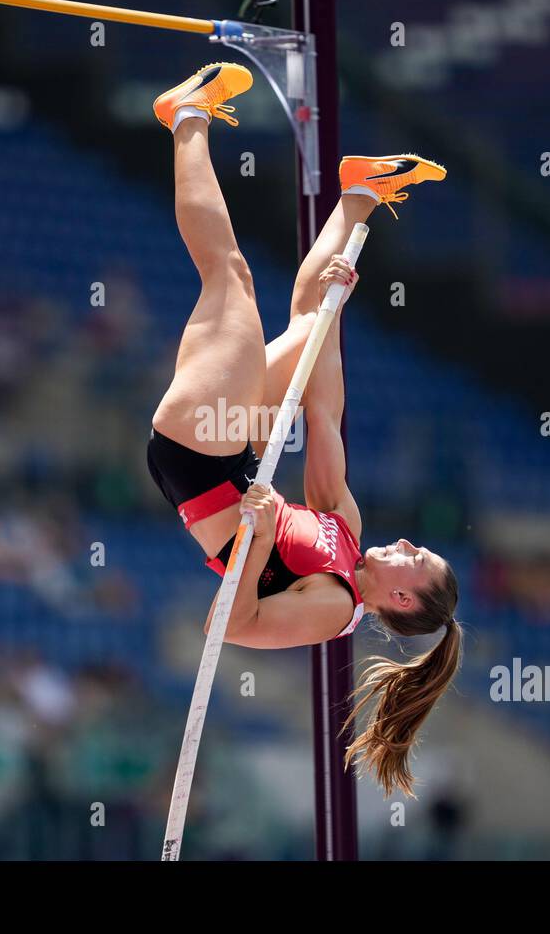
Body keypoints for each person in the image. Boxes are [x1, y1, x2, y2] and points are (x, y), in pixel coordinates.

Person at [145, 63, 458, 796]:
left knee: (230, 279)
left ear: (404, 600)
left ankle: (184, 115)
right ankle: (359, 193)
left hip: (199, 459)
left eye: (419, 559)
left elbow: (232, 626)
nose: (410, 543)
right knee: (309, 318)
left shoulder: (336, 607)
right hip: (237, 445)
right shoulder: (344, 526)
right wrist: (333, 317)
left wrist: (253, 545)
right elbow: (323, 408)